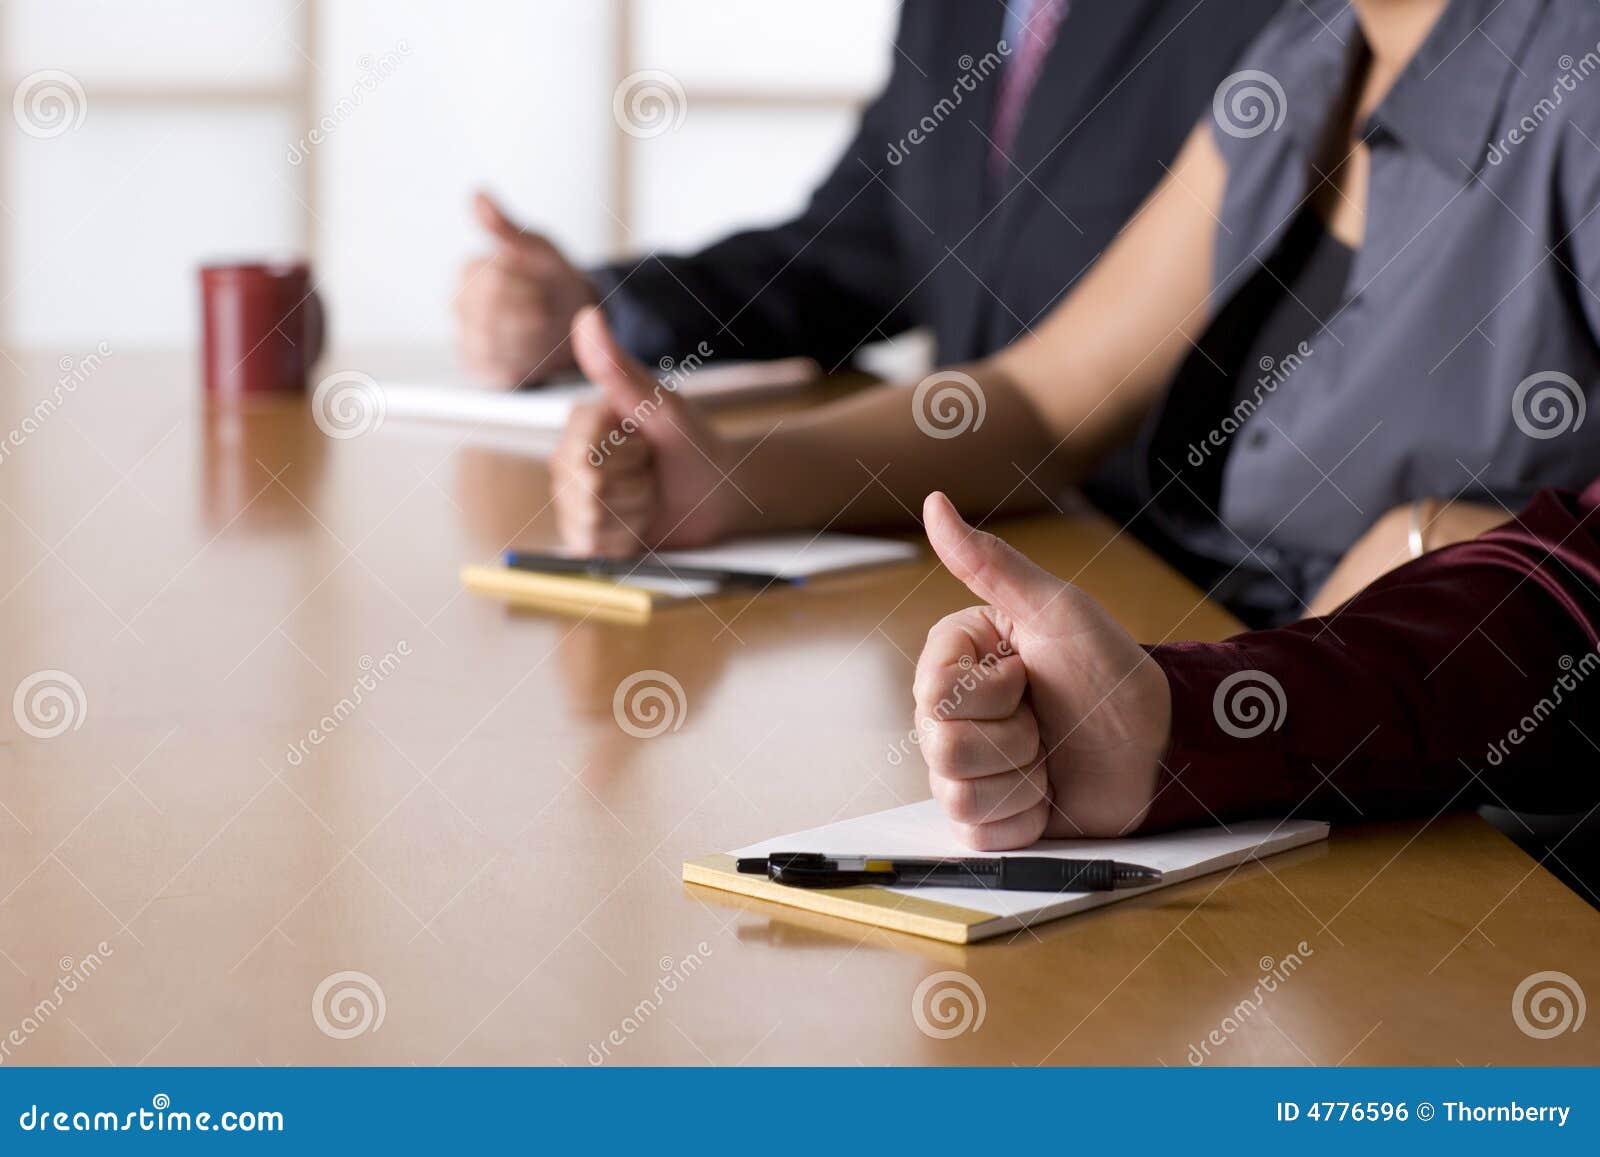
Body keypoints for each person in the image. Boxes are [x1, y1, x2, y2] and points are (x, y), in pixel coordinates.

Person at [551, 0, 1600, 625]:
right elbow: (1044, 398)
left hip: (1471, 813)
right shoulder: (1311, 47)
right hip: (1233, 700)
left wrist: (1441, 546)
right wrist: (730, 476)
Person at [456, 1, 1279, 387]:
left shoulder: (1278, 19)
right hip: (980, 543)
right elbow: (856, 247)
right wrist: (601, 311)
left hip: (1173, 572)